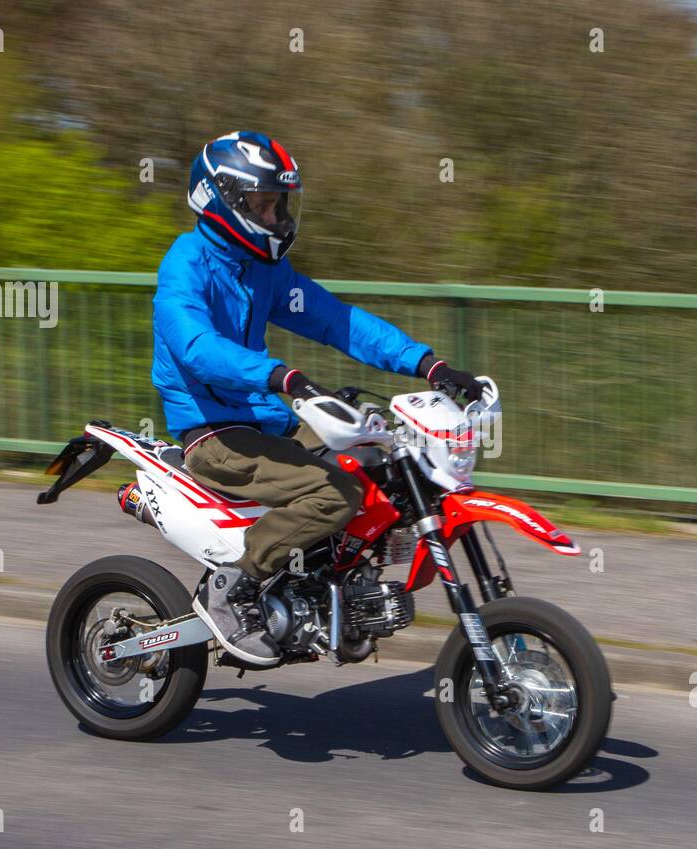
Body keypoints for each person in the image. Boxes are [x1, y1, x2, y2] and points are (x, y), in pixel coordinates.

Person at [152, 131, 484, 666]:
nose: (276, 217)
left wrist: (429, 364)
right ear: (221, 202)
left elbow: (337, 321)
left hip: (263, 420)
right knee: (333, 495)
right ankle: (234, 586)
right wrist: (280, 376)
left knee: (384, 455)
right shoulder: (185, 266)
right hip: (213, 432)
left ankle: (332, 587)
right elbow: (195, 347)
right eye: (261, 204)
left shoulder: (263, 269)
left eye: (278, 204)